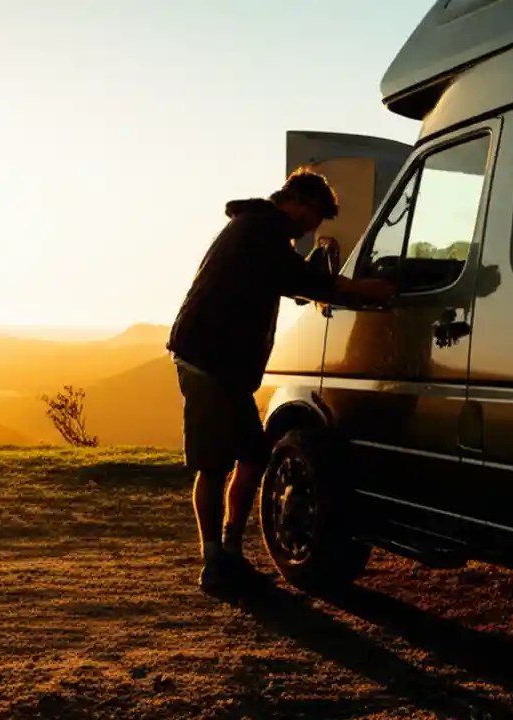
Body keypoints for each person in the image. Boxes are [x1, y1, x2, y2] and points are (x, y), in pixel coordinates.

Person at [167, 169, 394, 592]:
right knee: (214, 464)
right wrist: (367, 289)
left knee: (253, 454)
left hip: (223, 365)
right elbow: (306, 283)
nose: (313, 228)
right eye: (315, 217)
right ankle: (215, 560)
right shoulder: (262, 229)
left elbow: (291, 280)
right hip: (208, 362)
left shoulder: (256, 231)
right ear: (298, 202)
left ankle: (230, 549)